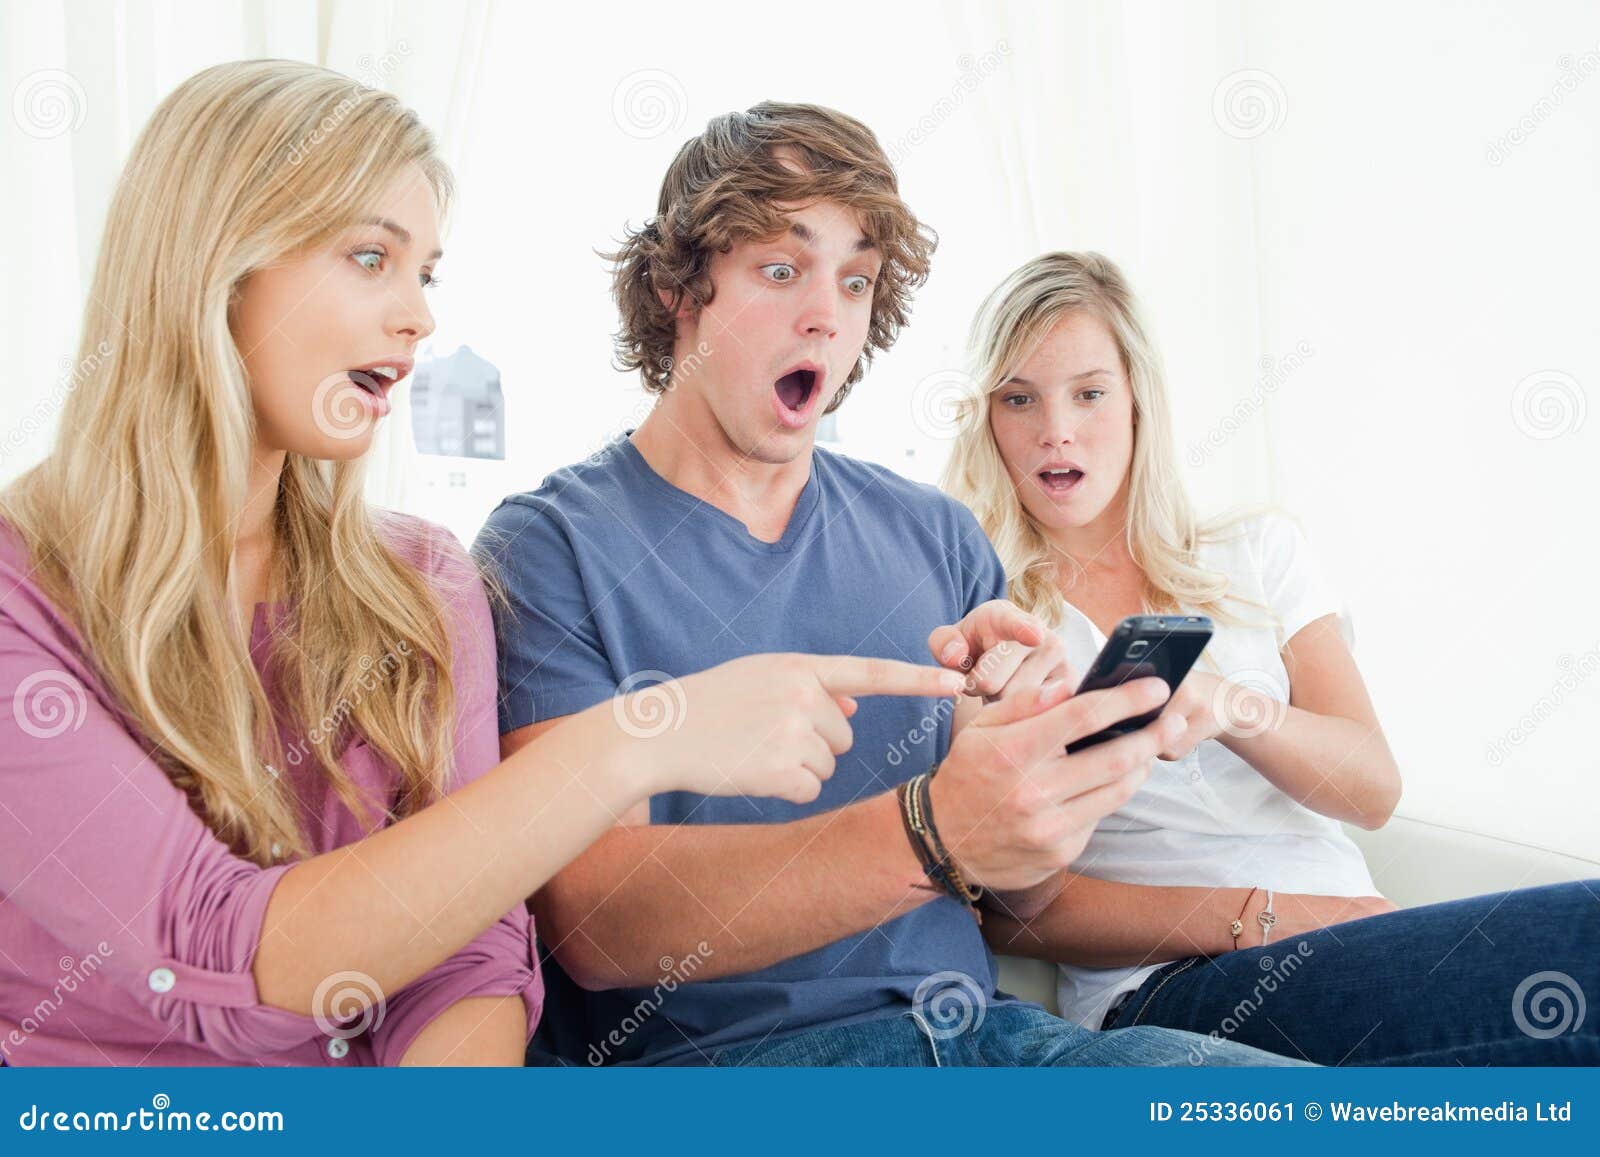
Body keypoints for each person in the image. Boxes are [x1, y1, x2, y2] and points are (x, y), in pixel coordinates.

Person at [0, 61, 957, 1067]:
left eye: (426, 272)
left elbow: (472, 963)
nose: (418, 317)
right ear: (212, 264)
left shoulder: (421, 582)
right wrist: (636, 741)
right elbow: (202, 948)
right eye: (371, 257)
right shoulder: (26, 593)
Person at [475, 104, 1305, 1067]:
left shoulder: (937, 535)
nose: (827, 313)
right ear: (679, 291)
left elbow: (1022, 903)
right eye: (780, 270)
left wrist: (1029, 779)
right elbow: (601, 924)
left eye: (856, 279)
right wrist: (933, 828)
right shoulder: (549, 549)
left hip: (1000, 1047)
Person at [943, 250, 1600, 1065]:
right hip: (1173, 983)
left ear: (1140, 400)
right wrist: (1270, 914)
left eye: (1089, 392)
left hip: (1356, 935)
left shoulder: (1255, 551)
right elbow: (1018, 913)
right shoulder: (994, 615)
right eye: (1020, 399)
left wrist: (1230, 708)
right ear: (989, 418)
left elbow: (1370, 788)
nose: (1056, 431)